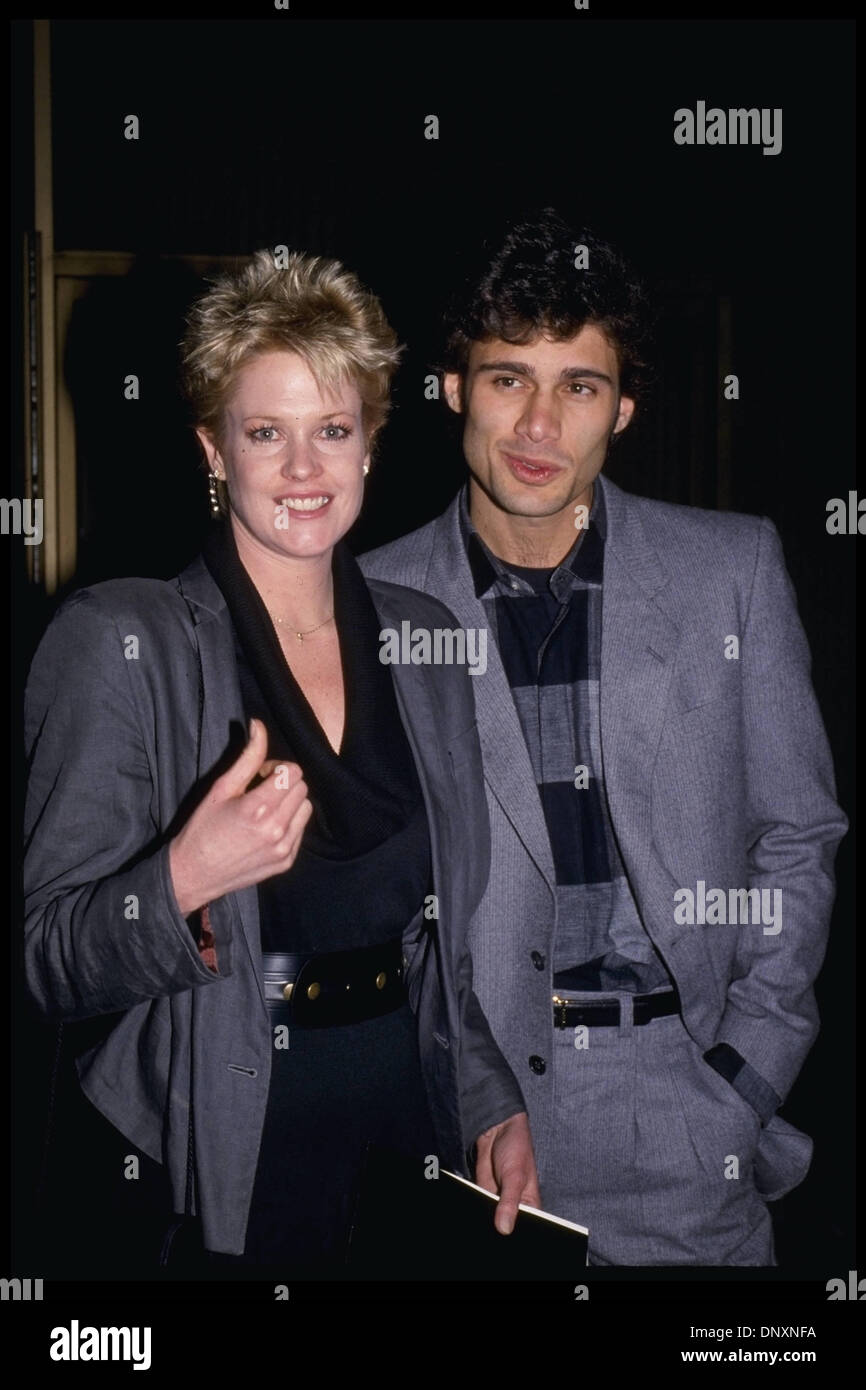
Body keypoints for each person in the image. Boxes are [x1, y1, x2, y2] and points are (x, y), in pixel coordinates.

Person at [23, 248, 538, 1279]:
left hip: (404, 1132)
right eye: (266, 433)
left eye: (331, 431)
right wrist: (182, 879)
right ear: (212, 449)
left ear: (368, 444)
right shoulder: (120, 639)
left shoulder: (424, 641)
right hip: (219, 1142)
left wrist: (489, 1103)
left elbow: (437, 948)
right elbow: (43, 955)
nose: (304, 470)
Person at [360, 208, 848, 1266]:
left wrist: (745, 1070)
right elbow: (385, 893)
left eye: (575, 386)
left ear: (620, 408)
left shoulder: (730, 568)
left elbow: (797, 832)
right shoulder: (370, 603)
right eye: (505, 379)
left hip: (687, 1109)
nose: (537, 426)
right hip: (472, 1131)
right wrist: (465, 1087)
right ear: (450, 387)